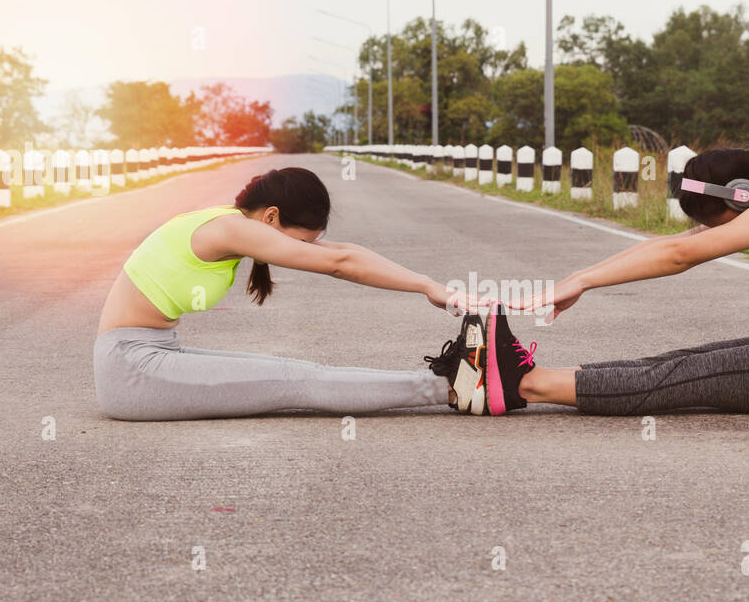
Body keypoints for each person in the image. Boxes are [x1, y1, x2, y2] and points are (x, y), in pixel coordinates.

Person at [477, 147, 749, 417]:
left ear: (742, 194)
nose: (713, 231)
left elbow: (679, 257)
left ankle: (525, 385)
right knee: (680, 360)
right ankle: (517, 373)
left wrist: (583, 283)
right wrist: (578, 279)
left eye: (716, 222)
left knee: (688, 374)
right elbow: (671, 243)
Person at [94, 166, 489, 420]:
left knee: (295, 373)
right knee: (295, 379)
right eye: (301, 240)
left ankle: (448, 378)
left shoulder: (230, 224)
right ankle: (452, 386)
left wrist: (427, 284)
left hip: (151, 354)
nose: (304, 249)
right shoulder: (230, 229)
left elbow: (345, 254)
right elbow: (339, 265)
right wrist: (426, 287)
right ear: (271, 217)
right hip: (132, 370)